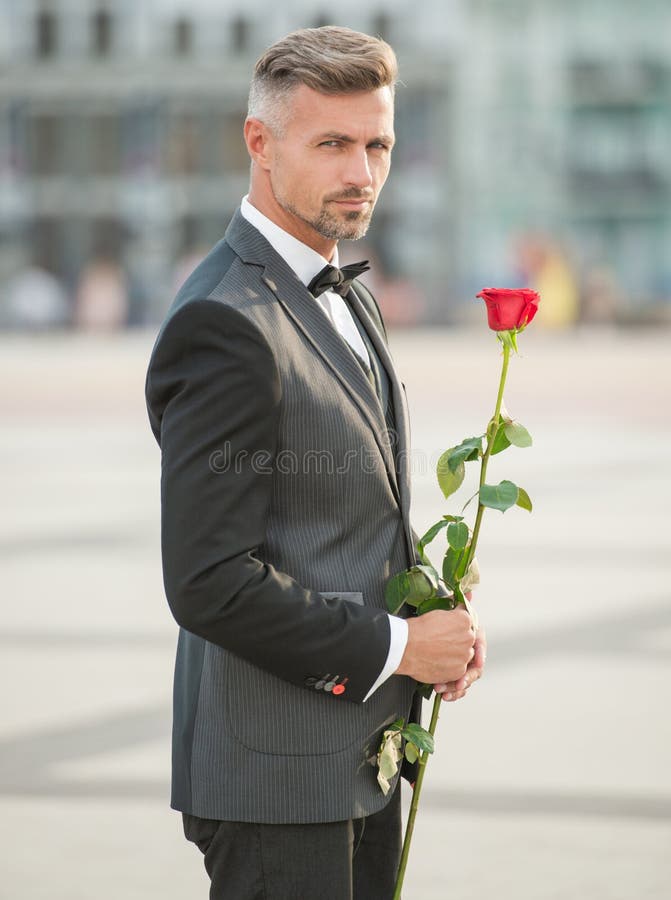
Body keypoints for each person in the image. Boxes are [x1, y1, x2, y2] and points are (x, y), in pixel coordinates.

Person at [145, 26, 486, 900]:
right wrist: (399, 645)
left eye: (377, 144)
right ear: (258, 142)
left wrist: (429, 612)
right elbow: (209, 580)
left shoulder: (347, 291)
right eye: (332, 143)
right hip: (275, 785)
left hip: (354, 762)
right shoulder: (225, 321)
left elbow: (336, 501)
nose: (360, 173)